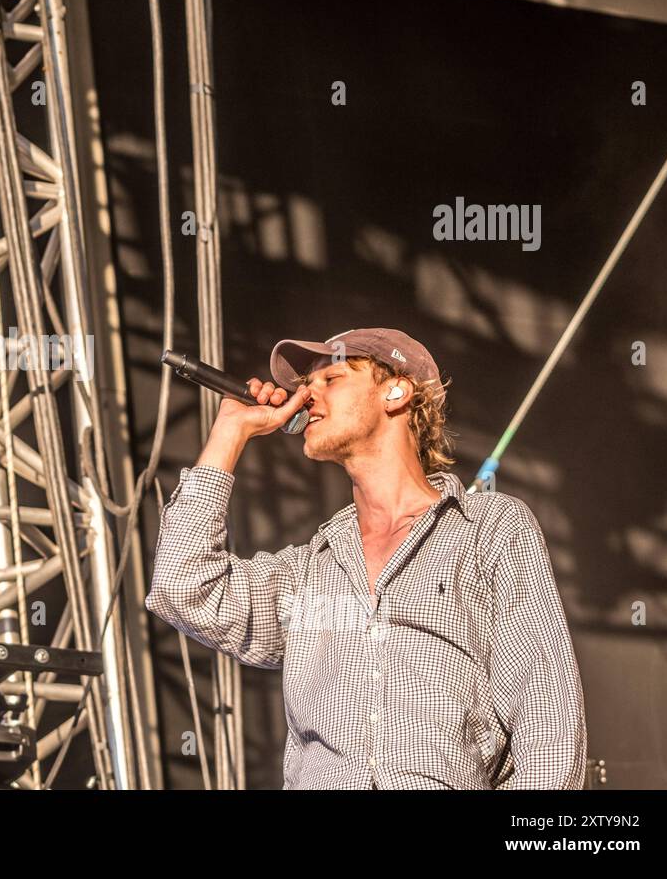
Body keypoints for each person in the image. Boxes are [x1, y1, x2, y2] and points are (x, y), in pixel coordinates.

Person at [146, 328, 586, 789]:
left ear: (395, 392)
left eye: (330, 379)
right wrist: (229, 433)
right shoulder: (309, 570)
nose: (305, 396)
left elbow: (548, 718)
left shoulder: (489, 529)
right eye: (303, 386)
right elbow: (183, 585)